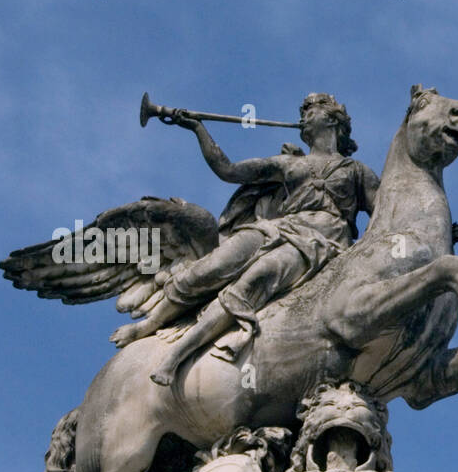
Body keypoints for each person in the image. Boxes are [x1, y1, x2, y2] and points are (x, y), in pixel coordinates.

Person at [109, 93, 378, 386]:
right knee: (208, 268)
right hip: (278, 229)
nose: (303, 117)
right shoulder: (288, 164)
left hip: (319, 244)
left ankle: (176, 356)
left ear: (332, 119)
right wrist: (199, 129)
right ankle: (150, 323)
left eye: (310, 111)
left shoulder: (357, 171)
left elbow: (381, 213)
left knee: (255, 279)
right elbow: (228, 170)